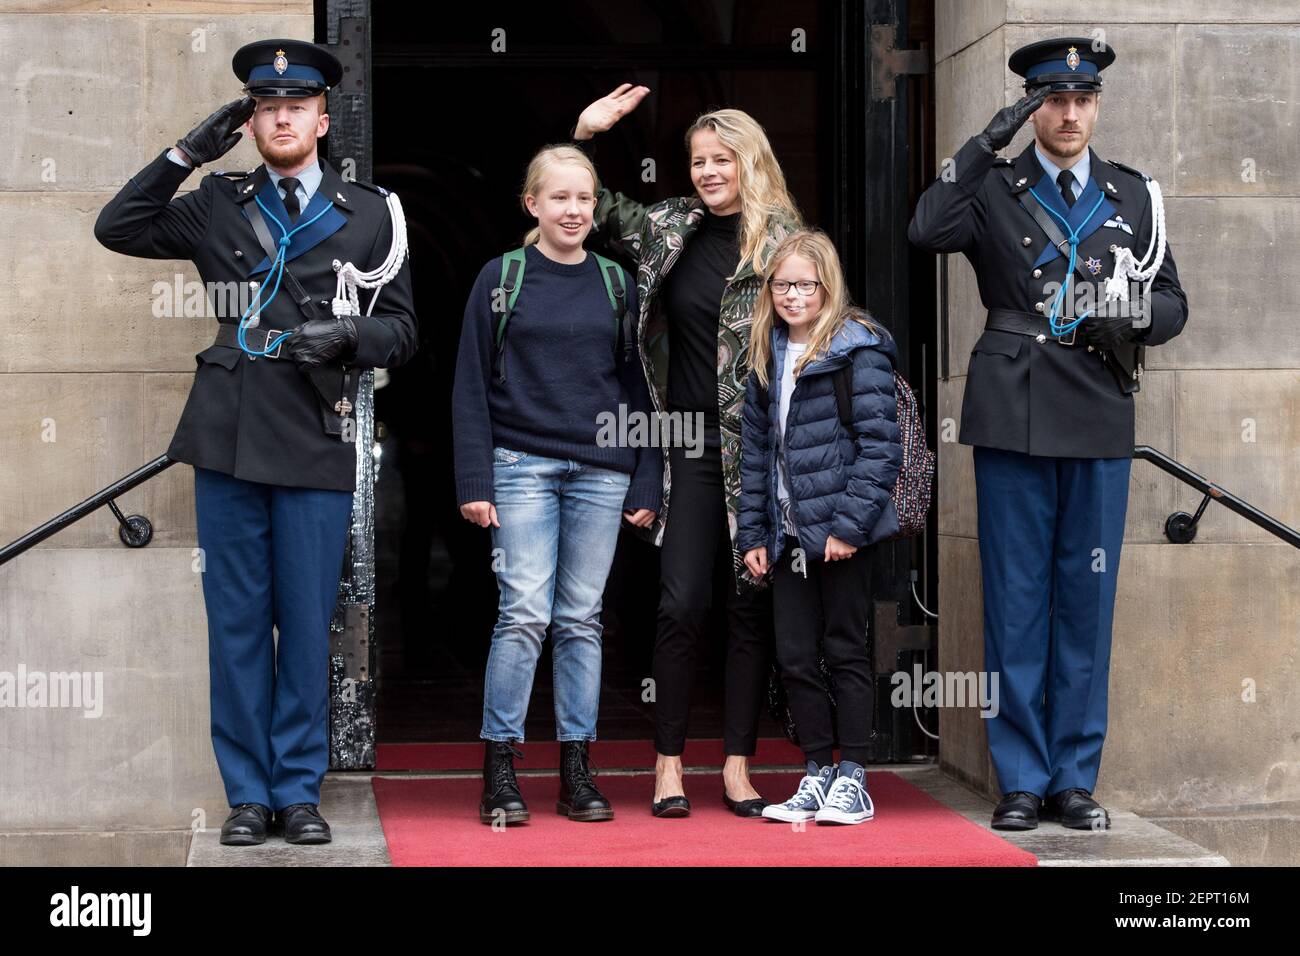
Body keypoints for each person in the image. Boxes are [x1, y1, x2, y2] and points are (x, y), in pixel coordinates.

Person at [94, 39, 418, 846]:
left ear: (320, 118)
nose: (281, 117)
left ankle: (297, 790)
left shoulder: (369, 211)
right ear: (249, 118)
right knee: (236, 620)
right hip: (229, 433)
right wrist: (183, 153)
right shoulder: (217, 200)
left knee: (308, 621)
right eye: (265, 106)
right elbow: (118, 227)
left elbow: (404, 332)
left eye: (296, 105)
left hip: (314, 433)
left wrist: (349, 334)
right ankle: (246, 794)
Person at [907, 38, 1188, 830]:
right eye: (1051, 101)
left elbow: (1172, 304)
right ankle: (1022, 778)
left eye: (1081, 100)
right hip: (1015, 405)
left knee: (1086, 601)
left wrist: (1125, 314)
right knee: (1018, 598)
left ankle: (1073, 778)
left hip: (1097, 404)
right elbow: (926, 228)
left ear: (1096, 105)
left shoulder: (1134, 195)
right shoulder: (995, 186)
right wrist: (987, 138)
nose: (1069, 114)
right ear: (1033, 107)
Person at [574, 87, 802, 817]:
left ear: (749, 161)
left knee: (749, 605)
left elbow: (818, 335)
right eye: (697, 160)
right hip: (687, 443)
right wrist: (586, 136)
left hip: (762, 447)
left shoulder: (785, 244)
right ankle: (668, 765)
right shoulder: (671, 227)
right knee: (680, 603)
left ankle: (737, 766)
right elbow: (595, 209)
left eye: (720, 159)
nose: (706, 171)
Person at [452, 145, 661, 825]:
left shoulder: (615, 282)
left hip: (601, 471)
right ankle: (502, 771)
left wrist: (645, 478)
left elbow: (638, 388)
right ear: (532, 204)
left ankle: (577, 771)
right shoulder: (500, 278)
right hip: (520, 468)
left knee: (581, 620)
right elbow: (469, 387)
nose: (574, 210)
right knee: (522, 614)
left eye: (584, 199)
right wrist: (474, 478)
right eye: (560, 198)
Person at [737, 230, 902, 825]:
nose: (792, 295)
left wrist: (849, 527)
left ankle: (853, 777)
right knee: (796, 657)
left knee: (845, 651)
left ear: (826, 286)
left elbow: (882, 449)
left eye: (805, 283)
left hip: (838, 534)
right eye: (782, 284)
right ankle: (816, 773)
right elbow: (755, 453)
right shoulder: (766, 351)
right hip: (786, 537)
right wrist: (753, 534)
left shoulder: (858, 349)